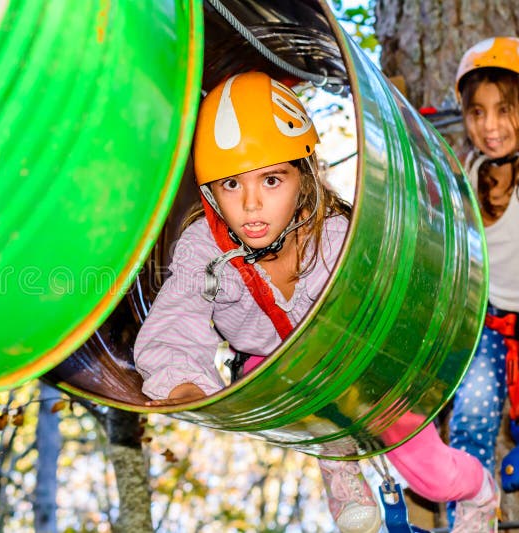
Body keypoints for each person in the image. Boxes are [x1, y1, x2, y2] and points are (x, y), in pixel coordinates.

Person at [134, 70, 499, 532]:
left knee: (433, 478)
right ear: (209, 190)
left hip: (363, 363)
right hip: (275, 369)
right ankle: (336, 452)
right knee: (281, 386)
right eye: (231, 184)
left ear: (302, 175)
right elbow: (177, 319)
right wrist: (189, 387)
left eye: (271, 181)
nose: (250, 205)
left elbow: (394, 307)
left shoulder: (334, 237)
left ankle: (480, 492)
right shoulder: (205, 251)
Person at [447, 36, 519, 524]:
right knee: (470, 416)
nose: (490, 127)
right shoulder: (469, 172)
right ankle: (469, 514)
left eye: (505, 110)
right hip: (488, 324)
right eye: (477, 112)